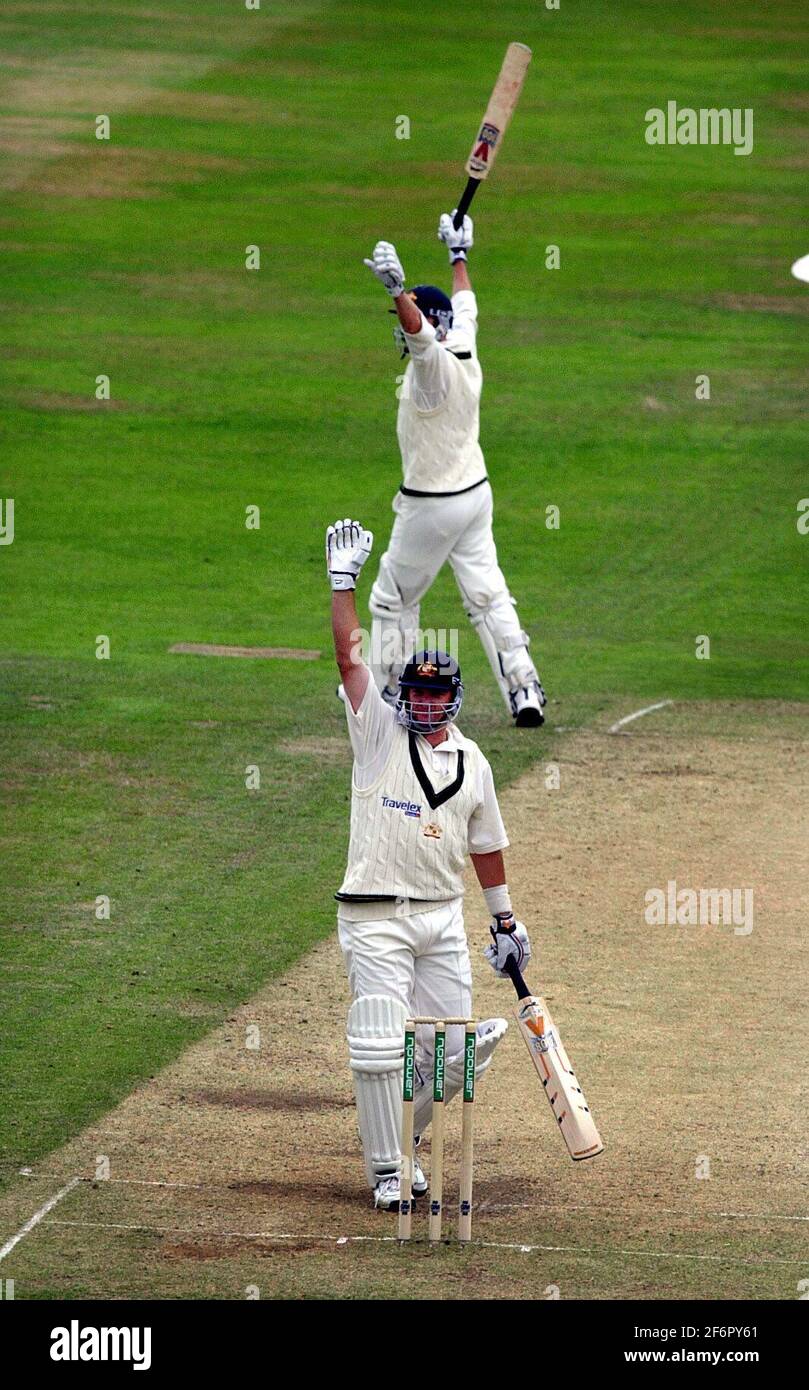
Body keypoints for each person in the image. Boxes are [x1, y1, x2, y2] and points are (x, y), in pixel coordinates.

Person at [326, 516, 532, 1211]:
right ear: (404, 695)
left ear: (451, 698)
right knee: (380, 1044)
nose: (422, 702)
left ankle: (404, 1141)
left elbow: (485, 844)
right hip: (374, 916)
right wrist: (344, 583)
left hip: (441, 920)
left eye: (434, 694)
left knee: (450, 1056)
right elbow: (350, 663)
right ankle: (388, 1171)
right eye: (414, 692)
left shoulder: (473, 762)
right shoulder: (377, 732)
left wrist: (505, 920)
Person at [360, 211, 547, 727]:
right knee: (487, 594)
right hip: (475, 494)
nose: (399, 330)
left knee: (392, 598)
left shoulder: (433, 368)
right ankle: (524, 688)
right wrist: (458, 256)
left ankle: (389, 691)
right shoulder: (464, 344)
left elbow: (420, 337)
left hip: (432, 503)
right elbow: (466, 305)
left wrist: (397, 292)